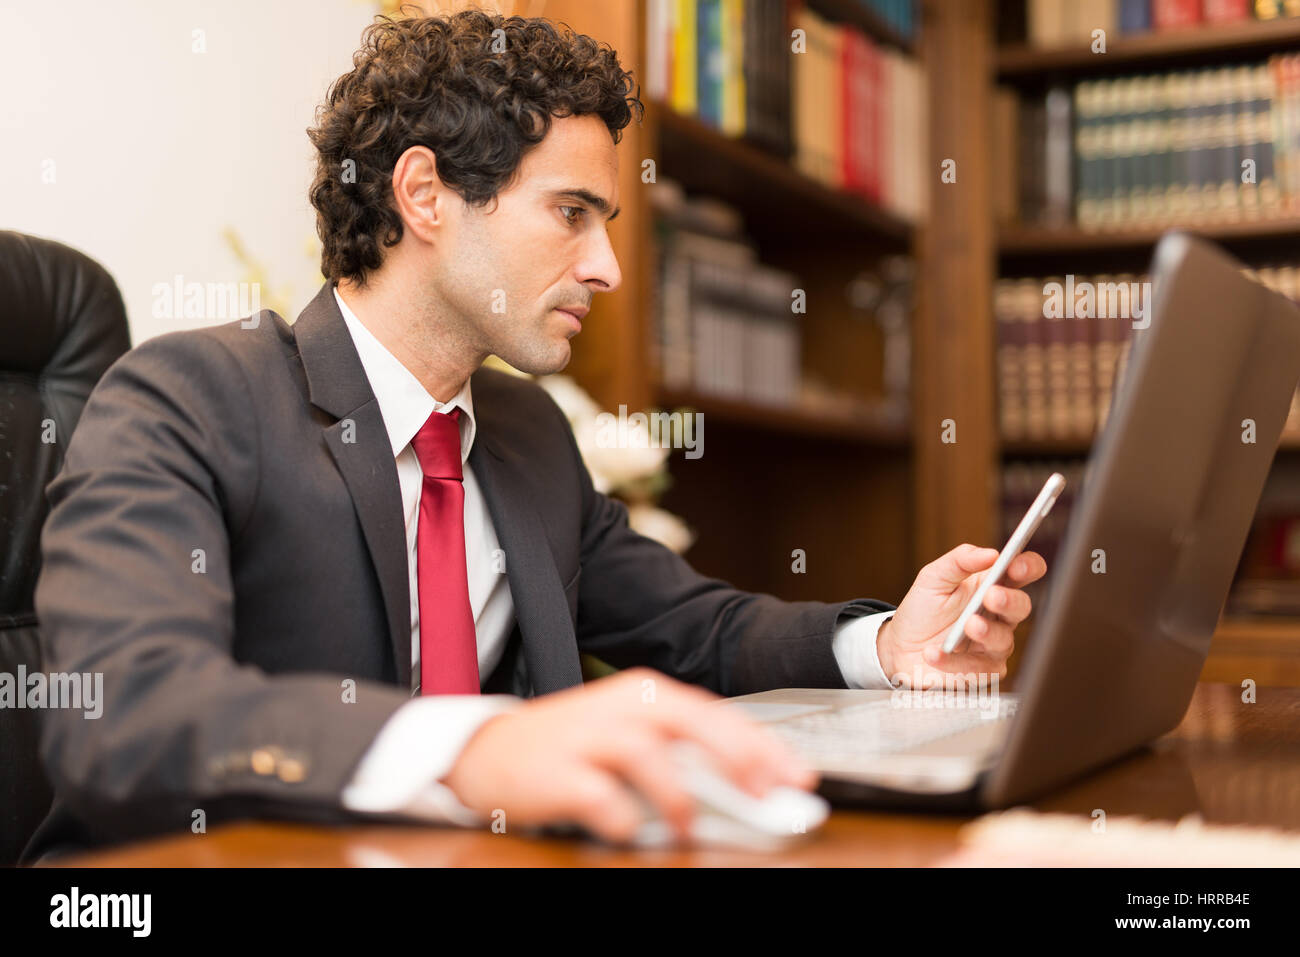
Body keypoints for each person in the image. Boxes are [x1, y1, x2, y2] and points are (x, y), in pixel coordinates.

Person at [24, 10, 1044, 862]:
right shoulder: (188, 397)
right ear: (423, 195)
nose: (605, 267)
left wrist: (885, 646)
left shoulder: (521, 430)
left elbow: (698, 630)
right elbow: (125, 713)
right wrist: (475, 750)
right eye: (570, 213)